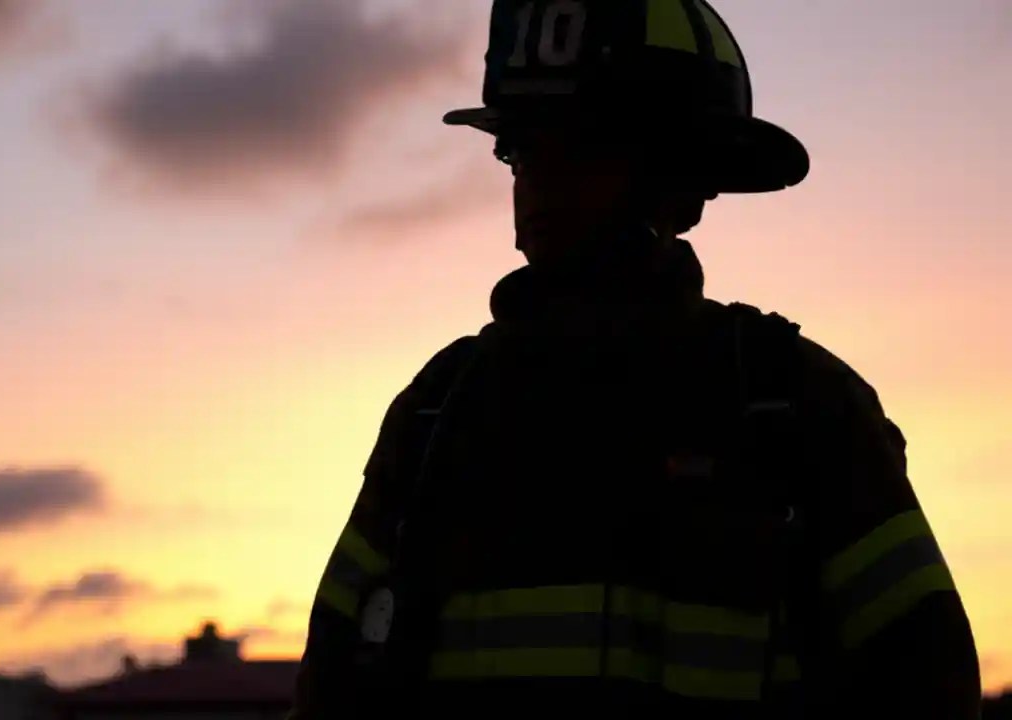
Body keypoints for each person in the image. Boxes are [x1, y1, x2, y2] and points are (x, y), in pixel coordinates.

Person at [288, 1, 981, 717]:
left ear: (678, 181)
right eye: (521, 149)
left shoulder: (794, 405)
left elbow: (929, 682)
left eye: (582, 146)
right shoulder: (434, 412)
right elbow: (332, 687)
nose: (538, 180)